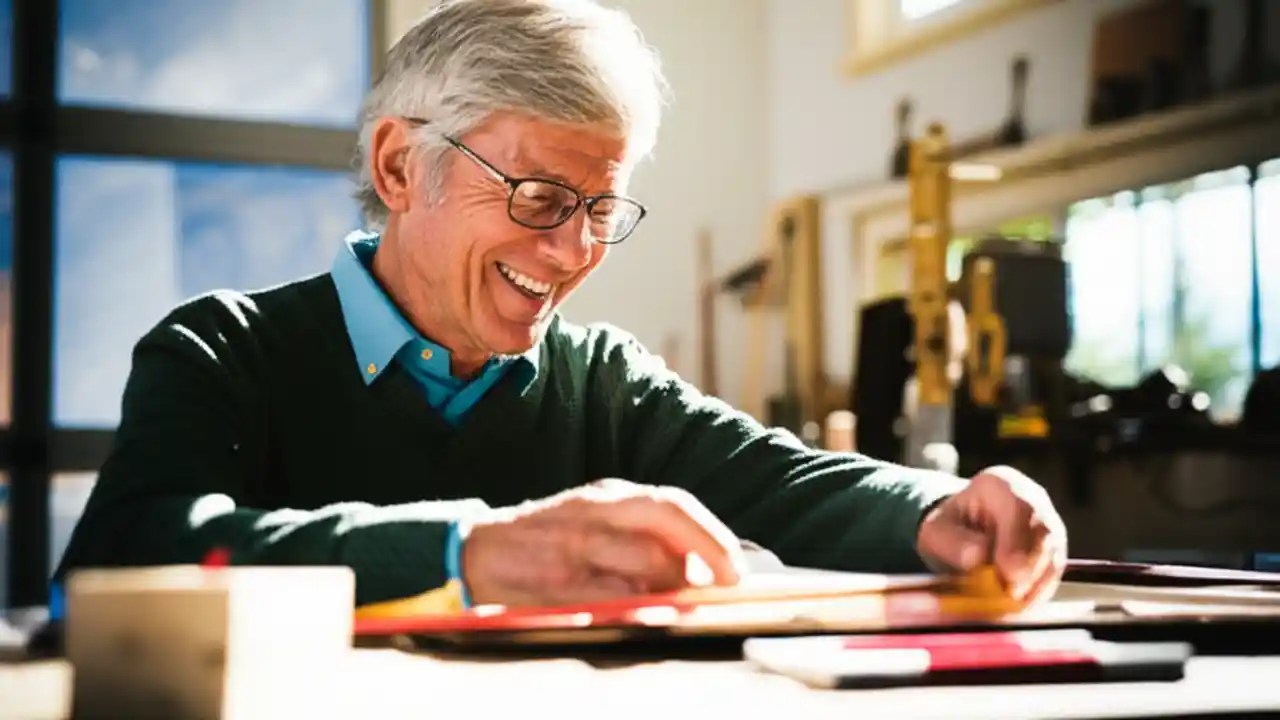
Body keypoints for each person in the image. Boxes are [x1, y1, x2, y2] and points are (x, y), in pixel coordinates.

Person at [57, 0, 1066, 609]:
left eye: (600, 208)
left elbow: (779, 484)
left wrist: (939, 510)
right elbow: (131, 556)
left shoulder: (601, 381)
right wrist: (471, 553)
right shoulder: (224, 351)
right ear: (399, 166)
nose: (577, 249)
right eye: (539, 199)